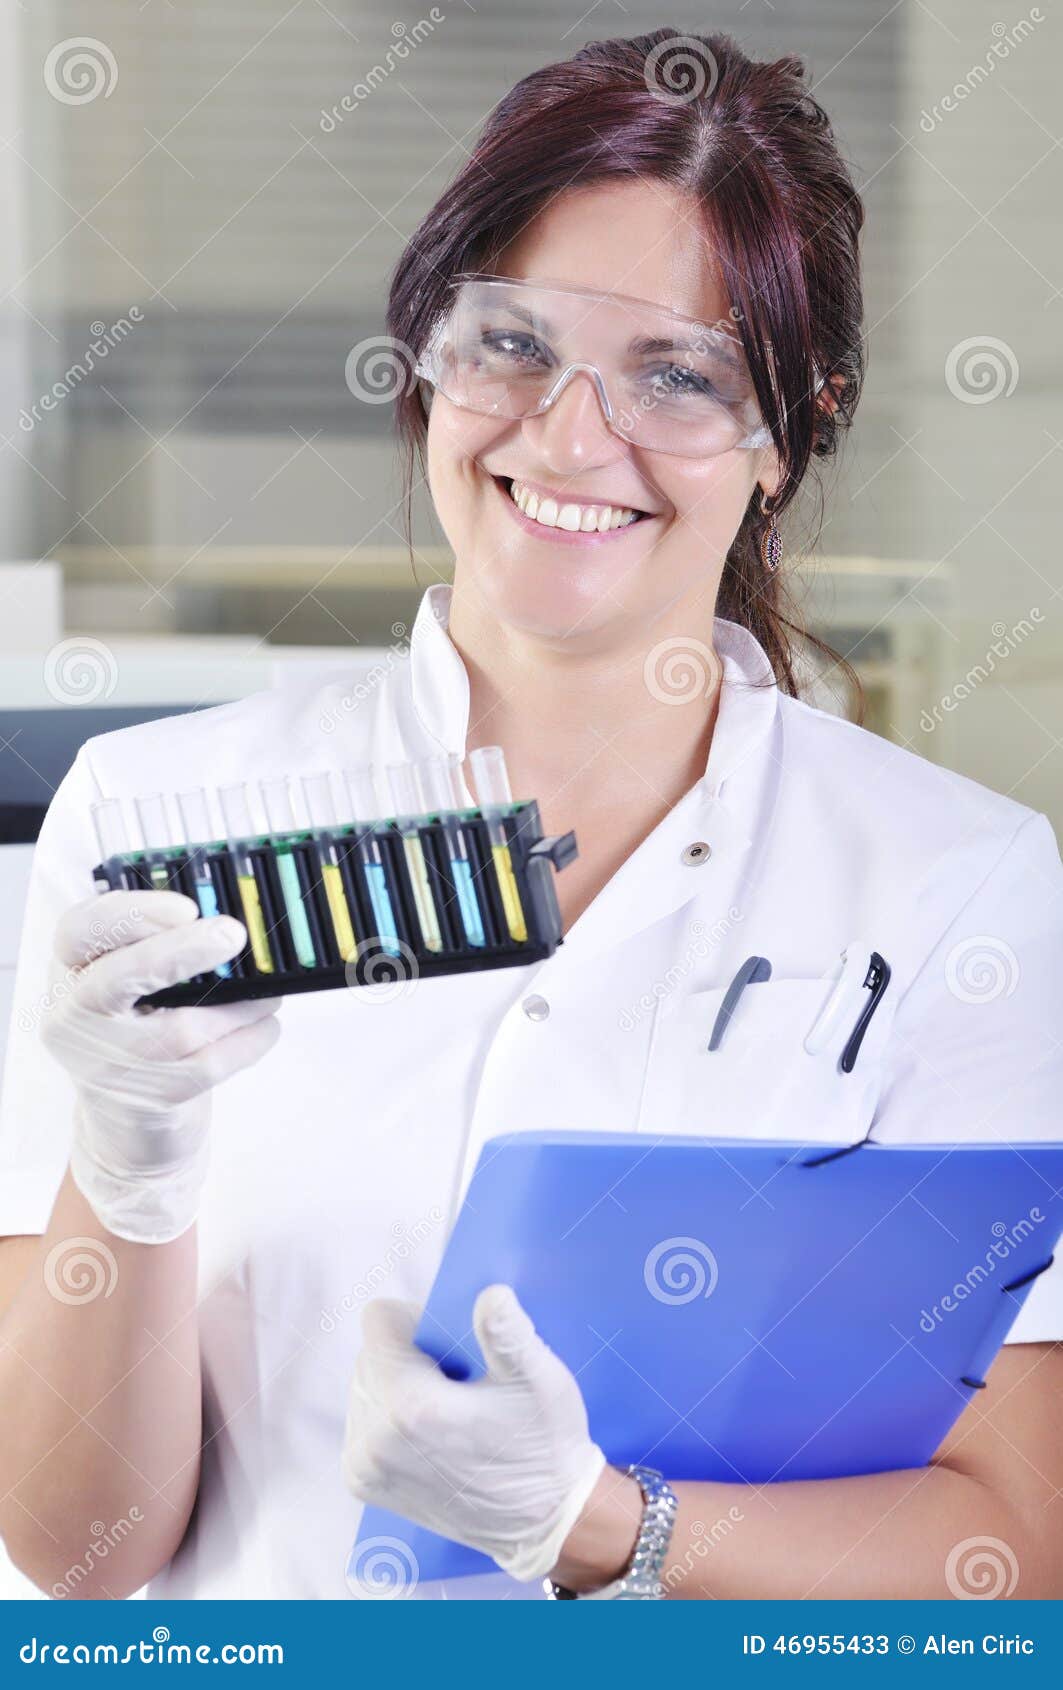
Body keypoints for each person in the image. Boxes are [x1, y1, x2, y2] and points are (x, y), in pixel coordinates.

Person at [1, 29, 1061, 1603]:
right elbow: (73, 1556)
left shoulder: (957, 889)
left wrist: (607, 1523)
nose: (571, 439)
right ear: (427, 352)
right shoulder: (159, 816)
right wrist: (130, 1164)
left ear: (788, 435)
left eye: (679, 377)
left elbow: (1014, 1558)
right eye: (511, 345)